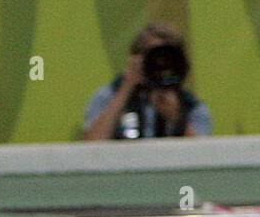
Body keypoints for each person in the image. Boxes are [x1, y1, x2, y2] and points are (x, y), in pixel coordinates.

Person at [83, 24, 213, 140]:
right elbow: (92, 146)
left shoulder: (191, 107)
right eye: (154, 56)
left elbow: (203, 155)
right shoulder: (109, 96)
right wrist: (126, 88)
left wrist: (177, 119)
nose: (161, 64)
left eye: (168, 58)